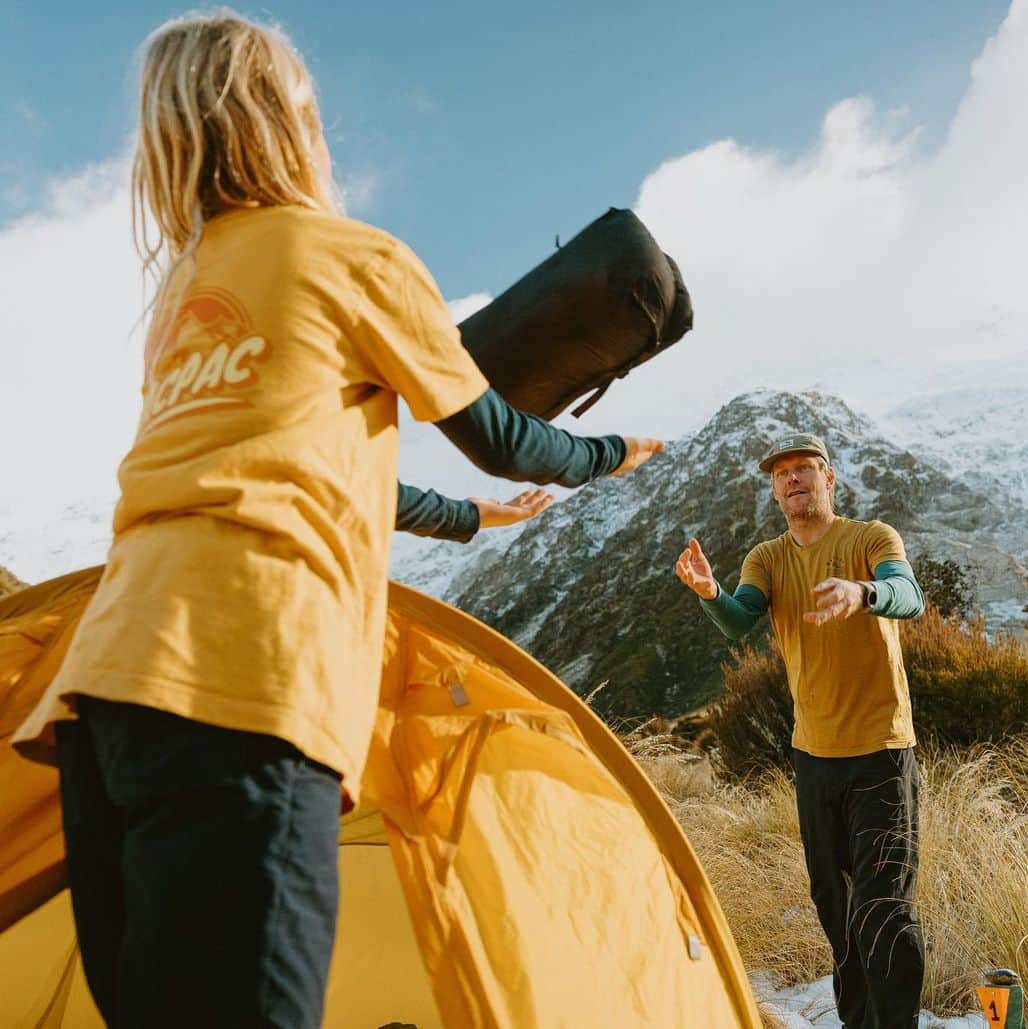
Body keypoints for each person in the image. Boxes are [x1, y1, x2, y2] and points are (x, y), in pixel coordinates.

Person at [11, 13, 663, 1028]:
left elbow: (288, 469)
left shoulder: (187, 293)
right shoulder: (351, 255)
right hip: (246, 679)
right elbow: (502, 433)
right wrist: (611, 453)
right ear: (291, 120)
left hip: (103, 703)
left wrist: (473, 524)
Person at [674, 432, 926, 1029]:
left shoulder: (870, 539)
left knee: (885, 905)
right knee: (836, 911)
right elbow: (739, 620)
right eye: (781, 473)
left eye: (805, 469)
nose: (793, 480)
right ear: (774, 491)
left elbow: (908, 596)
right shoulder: (767, 557)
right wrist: (712, 593)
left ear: (829, 479)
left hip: (882, 751)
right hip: (814, 757)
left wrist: (861, 592)